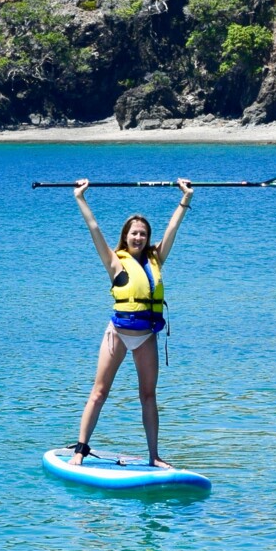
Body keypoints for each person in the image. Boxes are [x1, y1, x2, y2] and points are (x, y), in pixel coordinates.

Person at [68, 178, 193, 468]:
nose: (139, 237)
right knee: (100, 392)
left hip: (146, 336)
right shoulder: (114, 261)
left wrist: (185, 198)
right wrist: (80, 198)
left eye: (143, 234)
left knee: (148, 395)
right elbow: (95, 230)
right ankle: (80, 450)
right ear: (125, 236)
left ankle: (154, 456)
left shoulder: (156, 259)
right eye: (134, 233)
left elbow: (173, 230)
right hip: (118, 334)